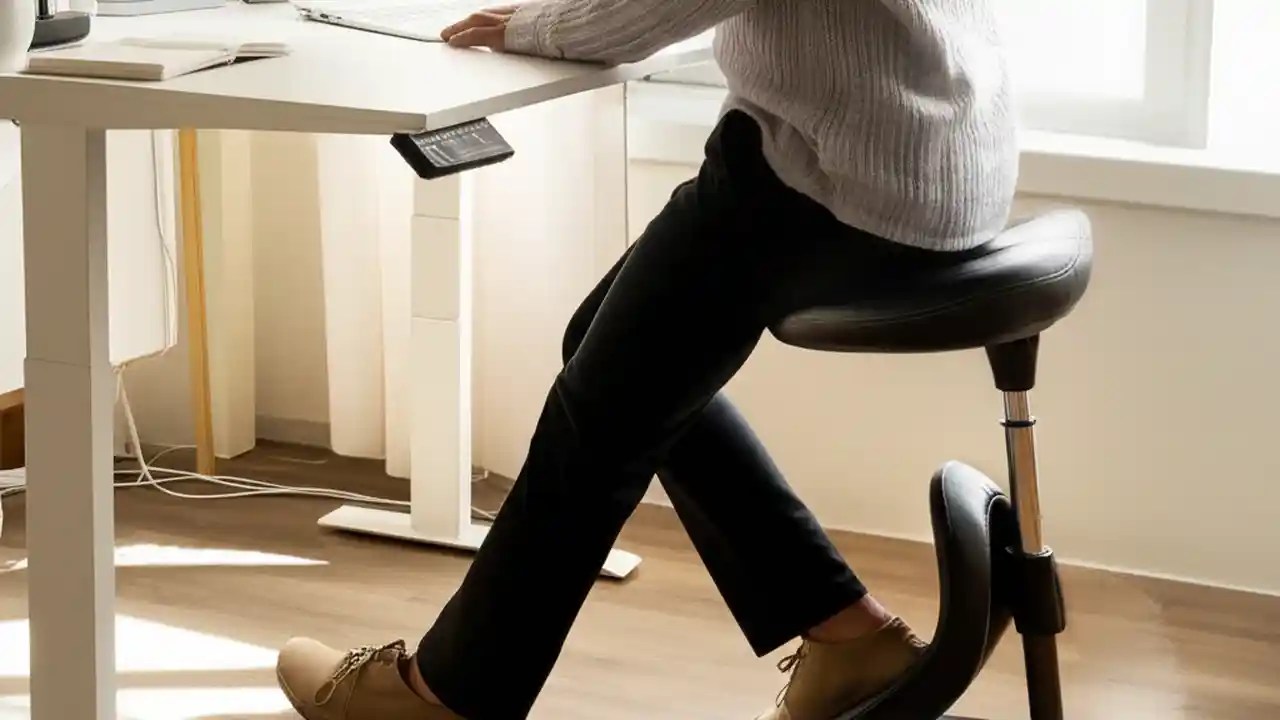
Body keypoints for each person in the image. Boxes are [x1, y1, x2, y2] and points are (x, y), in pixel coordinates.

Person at [275, 0, 1017, 718]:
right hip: (945, 164)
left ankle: (443, 699)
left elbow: (643, 17)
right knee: (612, 358)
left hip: (830, 178)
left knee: (593, 427)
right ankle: (847, 634)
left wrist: (537, 23)